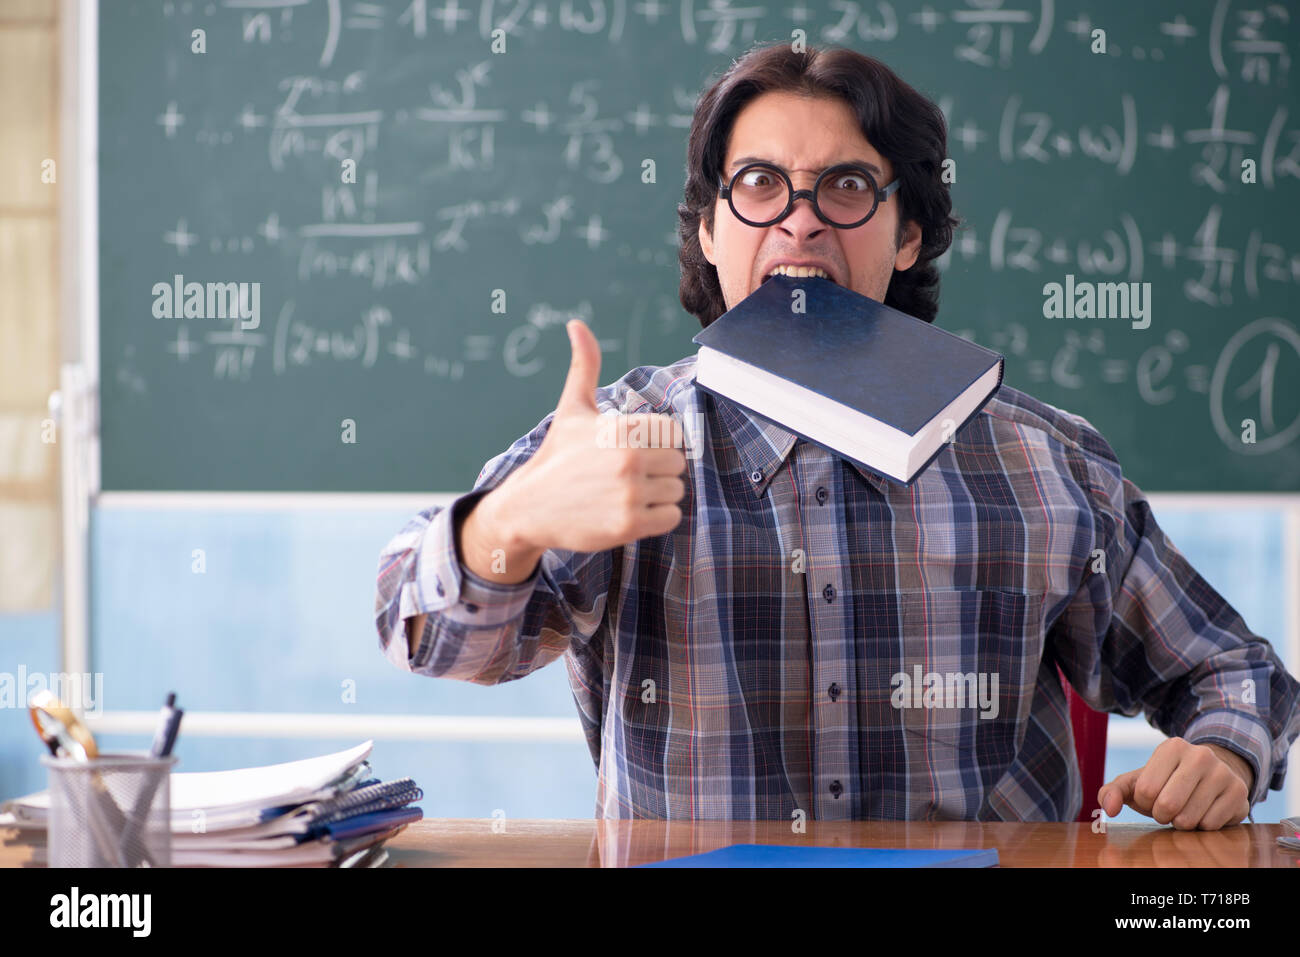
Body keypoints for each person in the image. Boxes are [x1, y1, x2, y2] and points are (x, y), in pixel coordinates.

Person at [375, 43, 1300, 825]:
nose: (802, 218)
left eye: (847, 186)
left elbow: (1234, 670)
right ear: (707, 228)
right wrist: (511, 521)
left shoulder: (1041, 460)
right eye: (759, 184)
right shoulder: (616, 443)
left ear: (908, 235)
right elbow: (425, 634)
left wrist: (1225, 750)